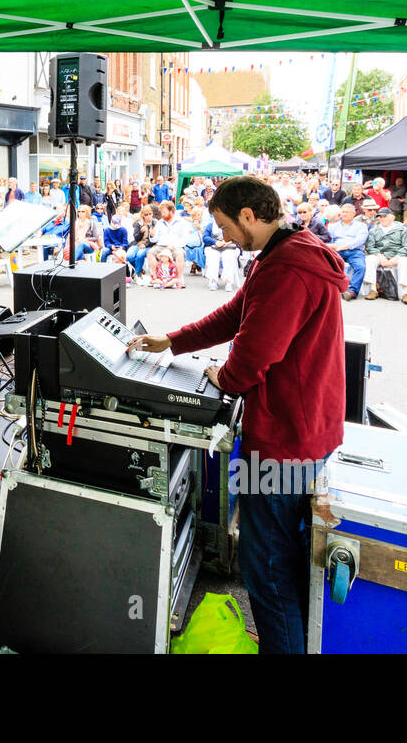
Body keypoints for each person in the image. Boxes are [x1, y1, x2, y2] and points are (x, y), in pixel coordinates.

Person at [126, 176, 347, 653]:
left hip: (287, 440)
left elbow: (250, 358)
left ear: (249, 216)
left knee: (266, 563)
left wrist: (220, 377)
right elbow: (236, 313)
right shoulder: (286, 253)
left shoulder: (287, 269)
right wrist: (173, 340)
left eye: (226, 226)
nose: (223, 237)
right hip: (305, 428)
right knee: (280, 554)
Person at [362, 209, 407, 305]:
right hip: (380, 254)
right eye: (381, 217)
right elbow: (370, 247)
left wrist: (397, 257)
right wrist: (379, 255)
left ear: (392, 217)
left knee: (405, 262)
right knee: (369, 259)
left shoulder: (402, 229)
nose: (382, 219)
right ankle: (373, 289)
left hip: (398, 254)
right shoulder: (374, 230)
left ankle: (405, 292)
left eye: (385, 216)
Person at [328, 202, 368, 301]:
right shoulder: (333, 226)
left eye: (347, 212)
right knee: (327, 263)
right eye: (343, 212)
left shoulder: (361, 226)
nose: (344, 214)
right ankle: (332, 289)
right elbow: (328, 240)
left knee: (361, 267)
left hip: (355, 251)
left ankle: (352, 291)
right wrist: (331, 247)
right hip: (337, 250)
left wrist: (345, 246)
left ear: (354, 214)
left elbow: (360, 240)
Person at [129, 205, 155, 280]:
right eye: (146, 214)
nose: (148, 216)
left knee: (140, 254)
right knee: (129, 256)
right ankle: (140, 270)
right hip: (138, 244)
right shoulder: (139, 223)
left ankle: (137, 274)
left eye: (150, 214)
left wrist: (145, 244)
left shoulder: (154, 223)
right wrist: (140, 232)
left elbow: (155, 239)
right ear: (143, 215)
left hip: (150, 245)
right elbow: (136, 238)